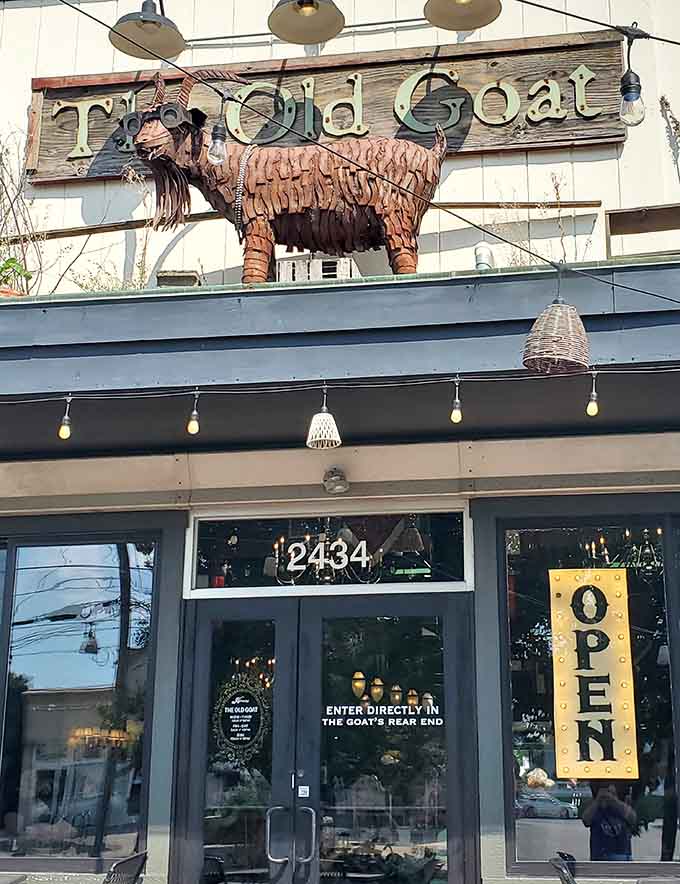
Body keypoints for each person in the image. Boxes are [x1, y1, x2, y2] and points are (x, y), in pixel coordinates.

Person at [582, 782, 637, 861]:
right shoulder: (595, 809)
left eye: (611, 793)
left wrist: (614, 801)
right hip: (599, 857)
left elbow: (632, 818)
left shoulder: (622, 808)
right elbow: (586, 820)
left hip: (622, 856)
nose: (607, 797)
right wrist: (598, 800)